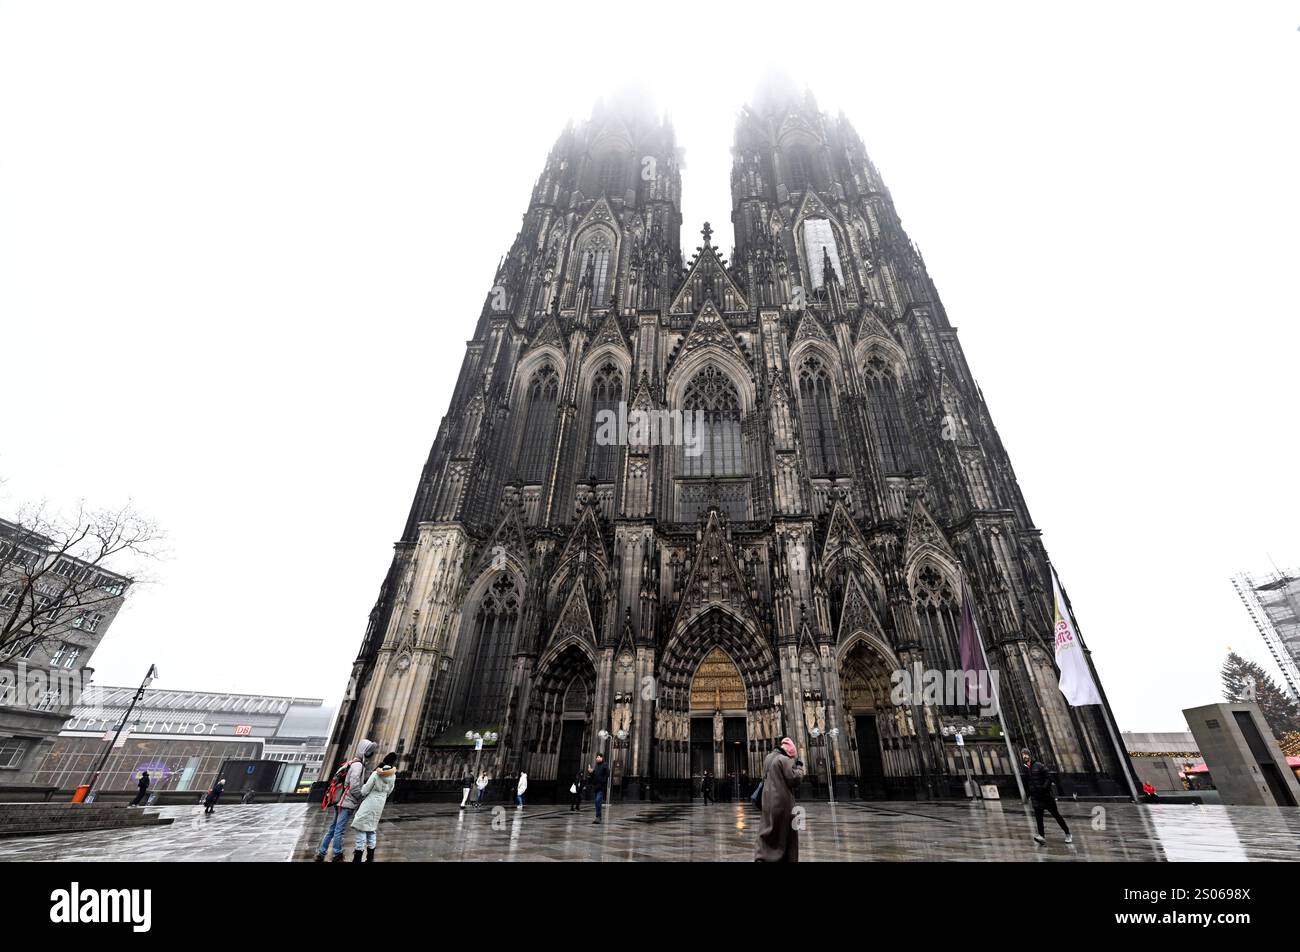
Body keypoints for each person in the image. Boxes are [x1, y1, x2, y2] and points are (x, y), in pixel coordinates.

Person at [315, 739, 378, 862]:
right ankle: (337, 855)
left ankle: (321, 853)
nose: (370, 755)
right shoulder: (358, 765)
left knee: (333, 828)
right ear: (363, 752)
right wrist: (360, 796)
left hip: (340, 801)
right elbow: (354, 785)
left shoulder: (350, 763)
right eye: (368, 751)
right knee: (339, 830)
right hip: (347, 802)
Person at [755, 737, 805, 862]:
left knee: (768, 830)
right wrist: (799, 767)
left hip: (767, 801)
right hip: (782, 802)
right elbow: (794, 779)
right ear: (790, 752)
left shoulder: (768, 758)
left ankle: (762, 856)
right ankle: (783, 858)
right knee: (785, 832)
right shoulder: (784, 760)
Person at [350, 751, 398, 862]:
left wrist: (360, 793)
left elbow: (366, 789)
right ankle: (370, 858)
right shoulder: (393, 776)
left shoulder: (376, 773)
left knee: (361, 827)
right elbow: (389, 791)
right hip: (380, 803)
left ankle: (357, 858)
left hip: (371, 801)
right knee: (371, 828)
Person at [1020, 748, 1071, 845]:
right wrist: (1028, 795)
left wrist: (1043, 788)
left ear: (1030, 755)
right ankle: (1042, 836)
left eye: (1026, 754)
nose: (1024, 756)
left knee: (1056, 815)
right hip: (1035, 797)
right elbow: (1026, 783)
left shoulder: (1039, 766)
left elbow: (1049, 778)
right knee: (1039, 818)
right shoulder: (1024, 768)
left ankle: (1068, 833)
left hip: (1046, 796)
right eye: (1023, 755)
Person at [591, 754, 609, 824]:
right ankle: (598, 817)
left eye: (599, 757)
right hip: (596, 787)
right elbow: (594, 776)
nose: (597, 758)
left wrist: (603, 781)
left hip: (601, 787)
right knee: (596, 802)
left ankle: (598, 817)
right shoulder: (596, 766)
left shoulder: (605, 765)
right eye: (597, 757)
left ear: (602, 758)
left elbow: (608, 774)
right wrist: (591, 772)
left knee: (598, 800)